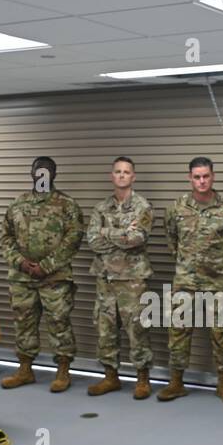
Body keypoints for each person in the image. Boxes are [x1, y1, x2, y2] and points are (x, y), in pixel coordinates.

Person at [158, 157, 223, 403]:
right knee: (178, 332)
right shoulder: (176, 207)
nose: (202, 181)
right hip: (185, 281)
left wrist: (216, 263)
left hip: (219, 281)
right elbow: (172, 240)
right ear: (190, 178)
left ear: (213, 176)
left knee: (222, 333)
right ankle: (176, 382)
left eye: (206, 176)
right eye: (197, 177)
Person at [0, 156, 83, 393]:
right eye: (38, 171)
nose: (42, 175)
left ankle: (63, 371)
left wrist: (46, 265)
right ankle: (25, 370)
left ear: (54, 175)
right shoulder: (18, 204)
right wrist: (20, 263)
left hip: (55, 278)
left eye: (47, 171)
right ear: (32, 174)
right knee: (23, 324)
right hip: (22, 278)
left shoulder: (67, 205)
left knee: (59, 323)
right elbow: (6, 238)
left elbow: (73, 240)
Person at [86, 157, 154, 399]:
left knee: (137, 328)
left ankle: (142, 378)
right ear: (111, 176)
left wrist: (107, 232)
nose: (122, 175)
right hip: (105, 279)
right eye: (118, 172)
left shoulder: (142, 207)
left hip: (132, 280)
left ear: (133, 177)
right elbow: (92, 240)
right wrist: (121, 234)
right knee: (105, 329)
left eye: (127, 172)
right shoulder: (100, 208)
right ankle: (110, 377)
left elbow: (137, 238)